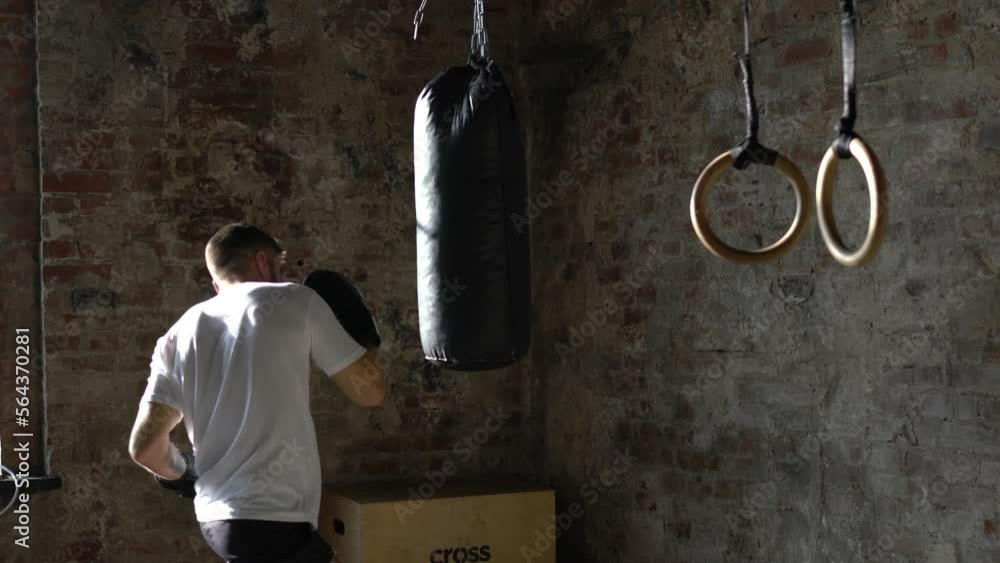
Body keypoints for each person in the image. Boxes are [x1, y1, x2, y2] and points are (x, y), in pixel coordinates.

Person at [128, 223, 385, 562]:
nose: (284, 275)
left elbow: (144, 448)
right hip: (273, 519)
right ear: (263, 262)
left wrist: (185, 472)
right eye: (280, 266)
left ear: (215, 281)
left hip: (216, 522)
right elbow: (371, 393)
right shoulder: (297, 300)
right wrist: (365, 339)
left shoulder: (180, 332)